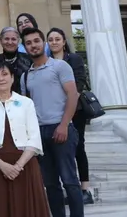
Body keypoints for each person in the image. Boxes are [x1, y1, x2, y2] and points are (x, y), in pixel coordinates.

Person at [0, 59, 49, 217]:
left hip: (25, 165)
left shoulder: (26, 103)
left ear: (12, 78)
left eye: (5, 74)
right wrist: (3, 166)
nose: (1, 78)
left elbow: (34, 138)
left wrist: (17, 166)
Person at [20, 28, 81, 217]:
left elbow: (73, 95)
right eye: (28, 43)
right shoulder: (25, 76)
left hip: (61, 128)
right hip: (39, 133)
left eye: (36, 41)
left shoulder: (60, 66)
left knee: (70, 180)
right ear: (25, 47)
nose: (33, 45)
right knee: (50, 184)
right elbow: (26, 107)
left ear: (44, 43)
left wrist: (64, 125)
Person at [46, 27, 91, 203]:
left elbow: (79, 83)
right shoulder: (47, 62)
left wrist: (69, 106)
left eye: (58, 39)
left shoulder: (74, 59)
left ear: (64, 42)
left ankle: (85, 189)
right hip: (54, 110)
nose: (54, 42)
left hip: (75, 110)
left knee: (78, 146)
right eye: (51, 40)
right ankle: (67, 188)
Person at [0, 28, 31, 95]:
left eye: (13, 39)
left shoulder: (29, 60)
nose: (10, 42)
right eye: (6, 39)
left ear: (18, 41)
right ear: (0, 40)